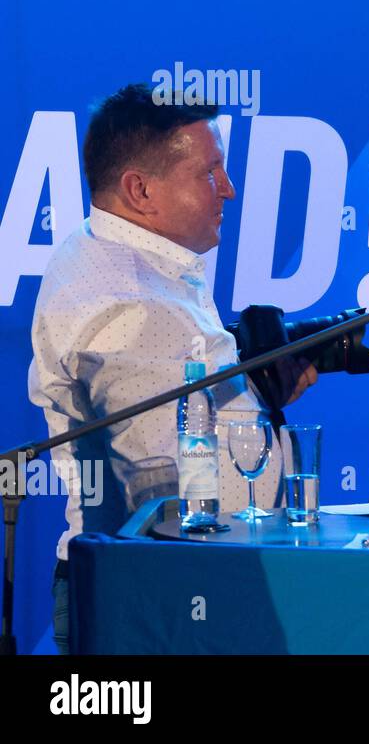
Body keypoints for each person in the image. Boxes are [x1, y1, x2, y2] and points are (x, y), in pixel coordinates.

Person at [29, 83, 316, 654]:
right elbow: (185, 496)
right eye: (209, 174)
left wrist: (259, 390)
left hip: (161, 593)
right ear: (140, 190)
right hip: (162, 605)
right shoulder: (130, 302)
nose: (228, 191)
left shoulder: (112, 256)